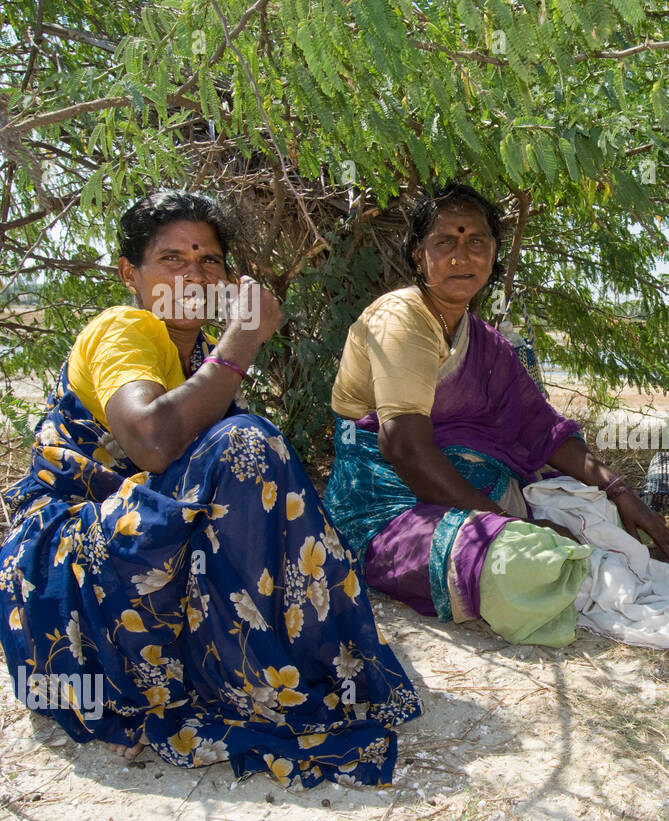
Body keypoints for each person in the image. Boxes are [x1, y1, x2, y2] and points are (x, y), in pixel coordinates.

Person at [0, 190, 420, 788]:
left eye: (209, 261)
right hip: (69, 569)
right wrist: (242, 340)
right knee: (247, 442)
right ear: (131, 274)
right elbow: (150, 442)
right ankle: (161, 682)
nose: (192, 275)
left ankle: (224, 670)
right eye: (172, 260)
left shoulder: (195, 356)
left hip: (126, 548)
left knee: (254, 460)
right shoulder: (125, 328)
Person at [324, 182, 669, 647]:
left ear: (493, 254)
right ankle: (534, 564)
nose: (461, 257)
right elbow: (406, 448)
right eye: (445, 243)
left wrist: (618, 488)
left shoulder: (485, 341)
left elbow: (543, 431)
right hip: (388, 510)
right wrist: (515, 524)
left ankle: (559, 560)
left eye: (476, 242)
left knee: (601, 518)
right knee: (520, 560)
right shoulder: (401, 319)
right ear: (419, 256)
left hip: (473, 493)